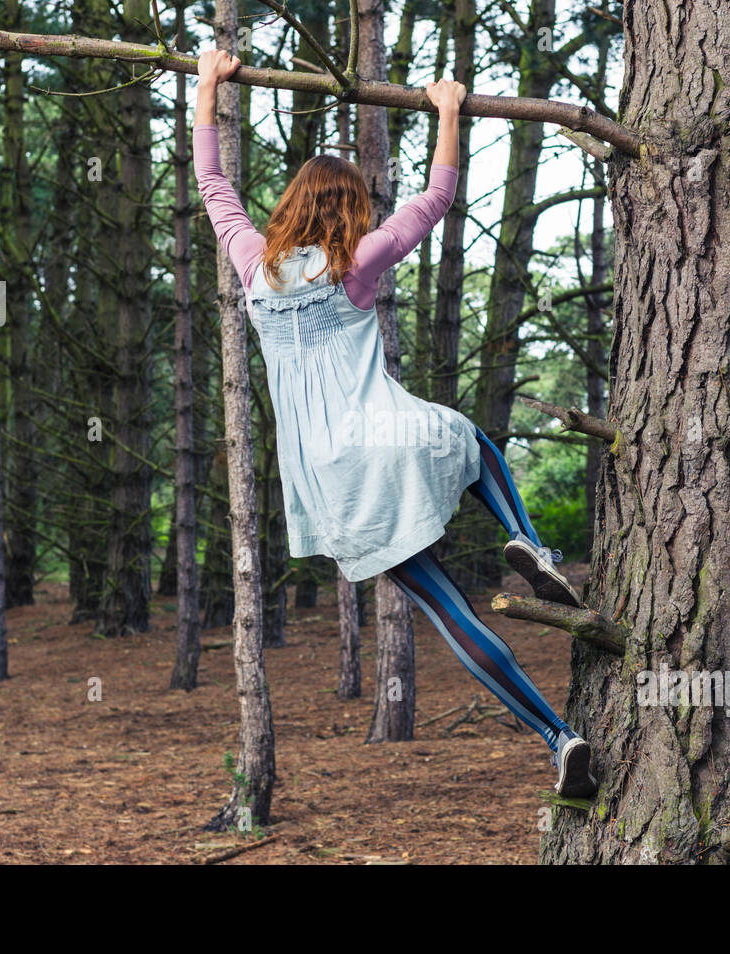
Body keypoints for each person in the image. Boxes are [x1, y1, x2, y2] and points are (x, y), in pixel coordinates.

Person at [193, 49, 596, 798]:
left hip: (327, 485)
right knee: (473, 442)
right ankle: (532, 548)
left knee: (446, 607)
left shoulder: (253, 267)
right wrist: (447, 109)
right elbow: (435, 198)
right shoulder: (358, 261)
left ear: (287, 209)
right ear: (349, 211)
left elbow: (213, 184)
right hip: (382, 437)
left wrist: (208, 85)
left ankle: (558, 736)